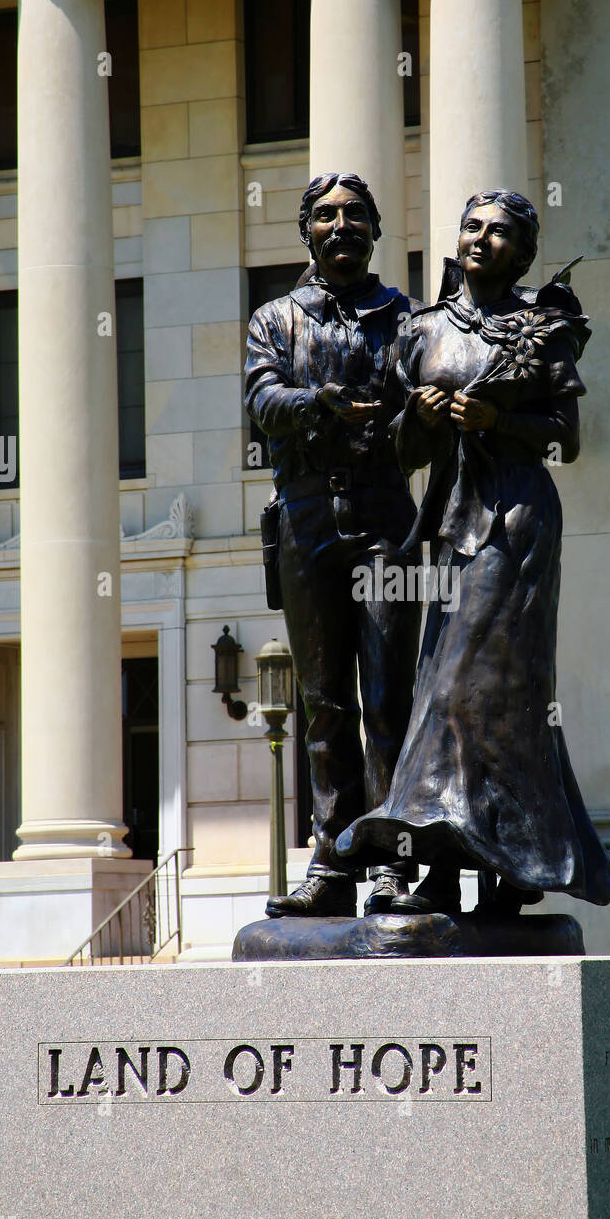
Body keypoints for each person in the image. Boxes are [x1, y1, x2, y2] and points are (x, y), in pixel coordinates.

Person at [335, 189, 610, 917]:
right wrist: (421, 423)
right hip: (454, 524)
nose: (481, 239)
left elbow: (567, 438)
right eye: (472, 227)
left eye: (500, 233)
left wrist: (500, 420)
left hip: (517, 522)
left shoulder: (543, 327)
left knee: (482, 691)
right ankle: (471, 861)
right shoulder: (422, 332)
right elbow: (403, 449)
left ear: (521, 254)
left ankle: (489, 859)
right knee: (451, 691)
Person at [244, 172, 422, 918]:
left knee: (386, 696)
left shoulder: (406, 317)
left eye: (355, 214)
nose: (341, 225)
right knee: (324, 703)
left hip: (385, 516)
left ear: (377, 230)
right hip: (308, 517)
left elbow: (423, 407)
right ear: (307, 232)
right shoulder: (276, 318)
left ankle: (389, 861)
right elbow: (260, 399)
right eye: (326, 215)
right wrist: (316, 401)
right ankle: (333, 861)